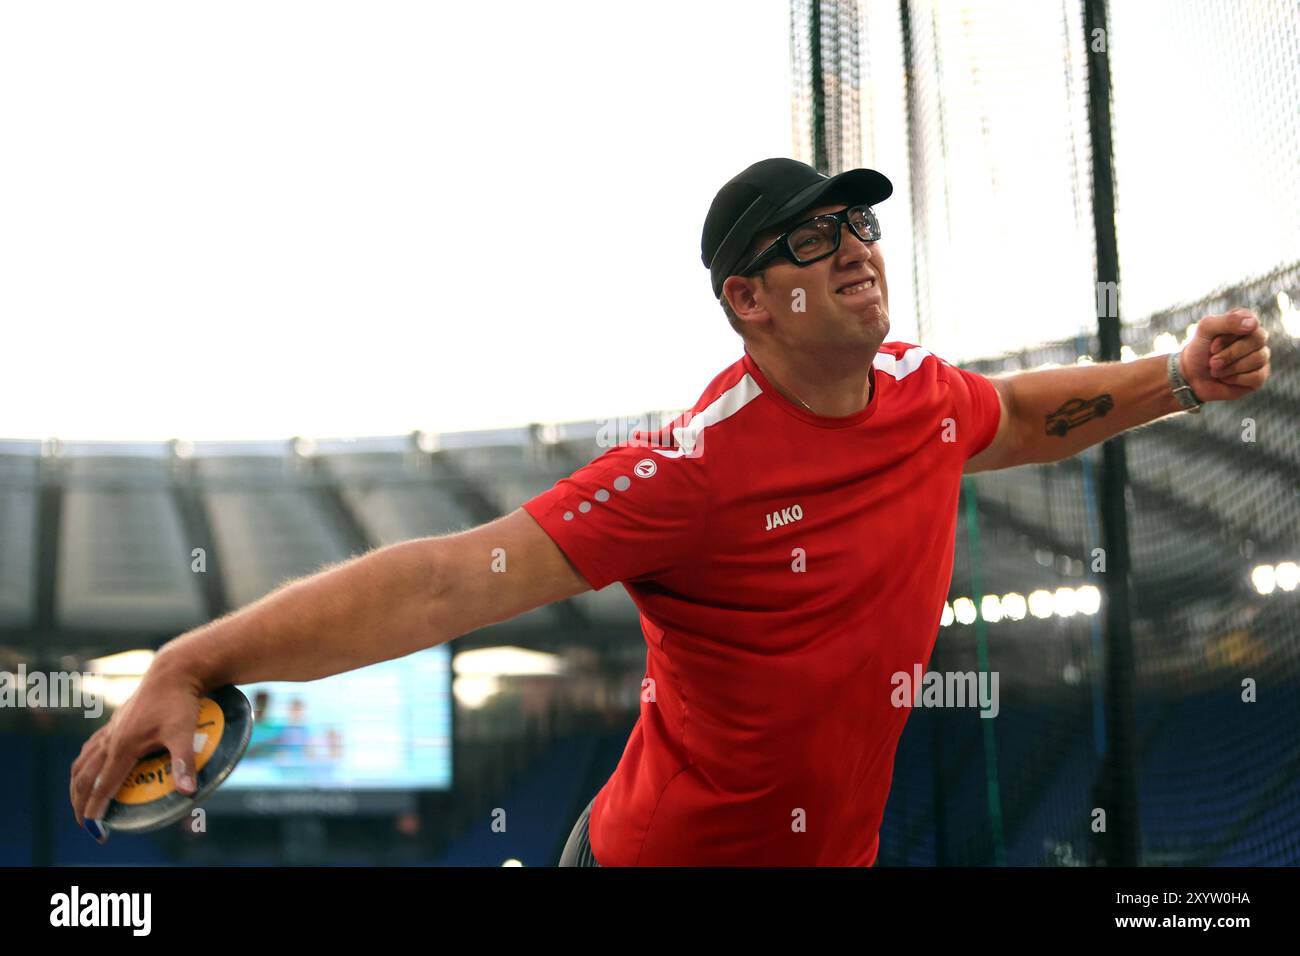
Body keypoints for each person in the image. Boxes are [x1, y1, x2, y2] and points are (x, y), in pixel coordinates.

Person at [70, 158, 1272, 863]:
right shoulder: (694, 467)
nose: (854, 248)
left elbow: (1006, 416)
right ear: (748, 300)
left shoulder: (915, 390)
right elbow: (448, 578)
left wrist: (1175, 378)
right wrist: (194, 655)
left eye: (856, 223)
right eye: (811, 239)